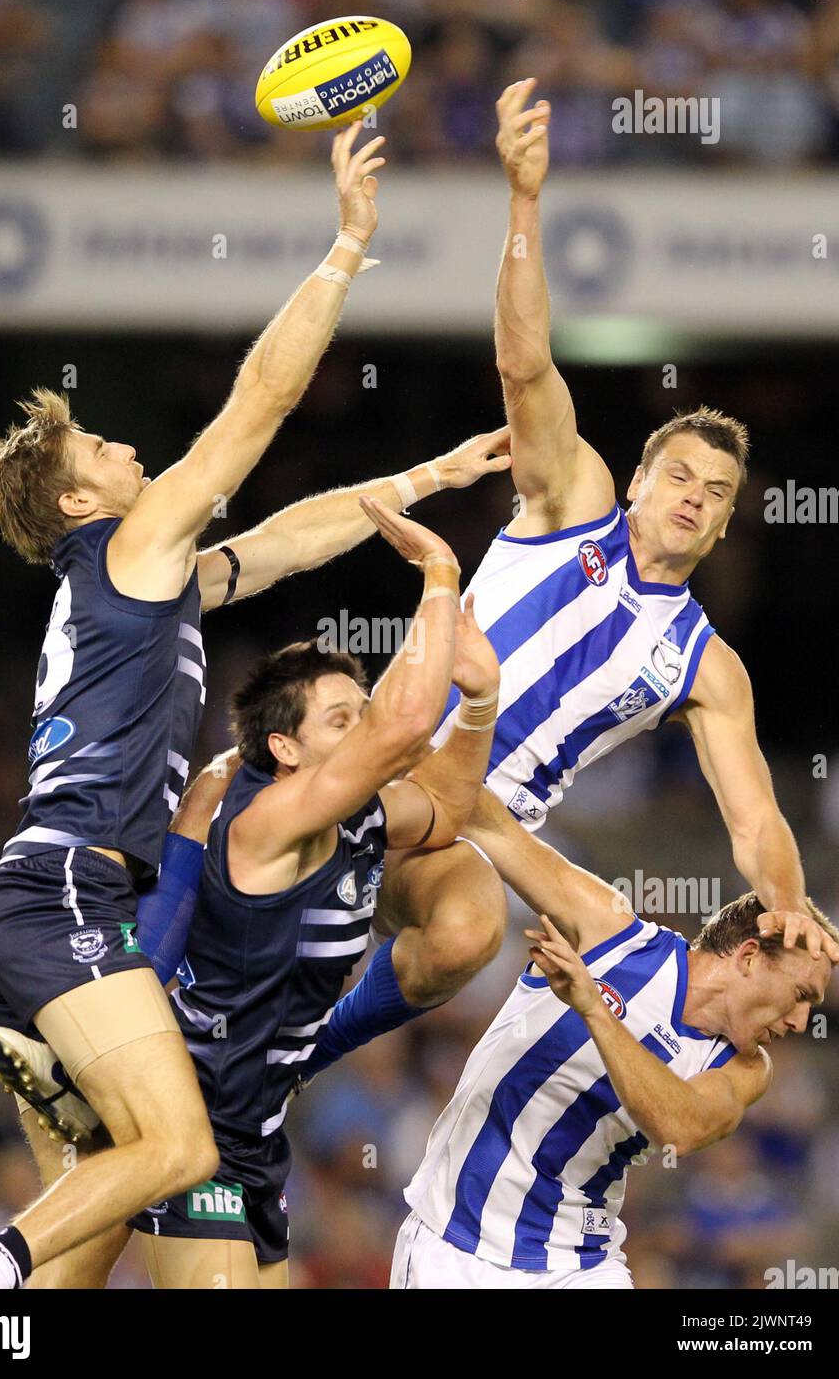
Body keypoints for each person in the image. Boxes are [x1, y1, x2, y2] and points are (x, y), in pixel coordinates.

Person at [298, 78, 839, 1084]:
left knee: (464, 939)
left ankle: (285, 1062)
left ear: (724, 524)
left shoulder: (705, 664)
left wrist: (781, 896)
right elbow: (523, 365)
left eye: (713, 490)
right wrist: (521, 200)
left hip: (471, 819)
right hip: (383, 748)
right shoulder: (573, 504)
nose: (690, 494)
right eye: (676, 473)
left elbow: (754, 818)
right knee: (262, 873)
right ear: (637, 481)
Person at [0, 121, 393, 1291]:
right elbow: (260, 404)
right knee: (176, 1147)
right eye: (99, 441)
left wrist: (419, 484)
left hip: (64, 891)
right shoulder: (129, 545)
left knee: (108, 1220)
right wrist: (343, 250)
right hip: (68, 885)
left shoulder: (143, 578)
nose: (125, 442)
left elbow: (281, 545)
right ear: (79, 497)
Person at [136, 499, 501, 1287]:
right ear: (284, 749)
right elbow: (403, 732)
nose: (364, 730)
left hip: (256, 1139)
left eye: (361, 712)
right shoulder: (264, 819)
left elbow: (446, 802)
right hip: (183, 1121)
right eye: (341, 720)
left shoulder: (360, 815)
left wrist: (478, 703)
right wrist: (439, 579)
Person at [390, 828, 839, 1289]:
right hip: (454, 1246)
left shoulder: (746, 1067)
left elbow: (682, 1127)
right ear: (749, 956)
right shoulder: (610, 932)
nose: (801, 1022)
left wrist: (595, 1009)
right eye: (801, 995)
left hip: (578, 1266)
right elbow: (495, 830)